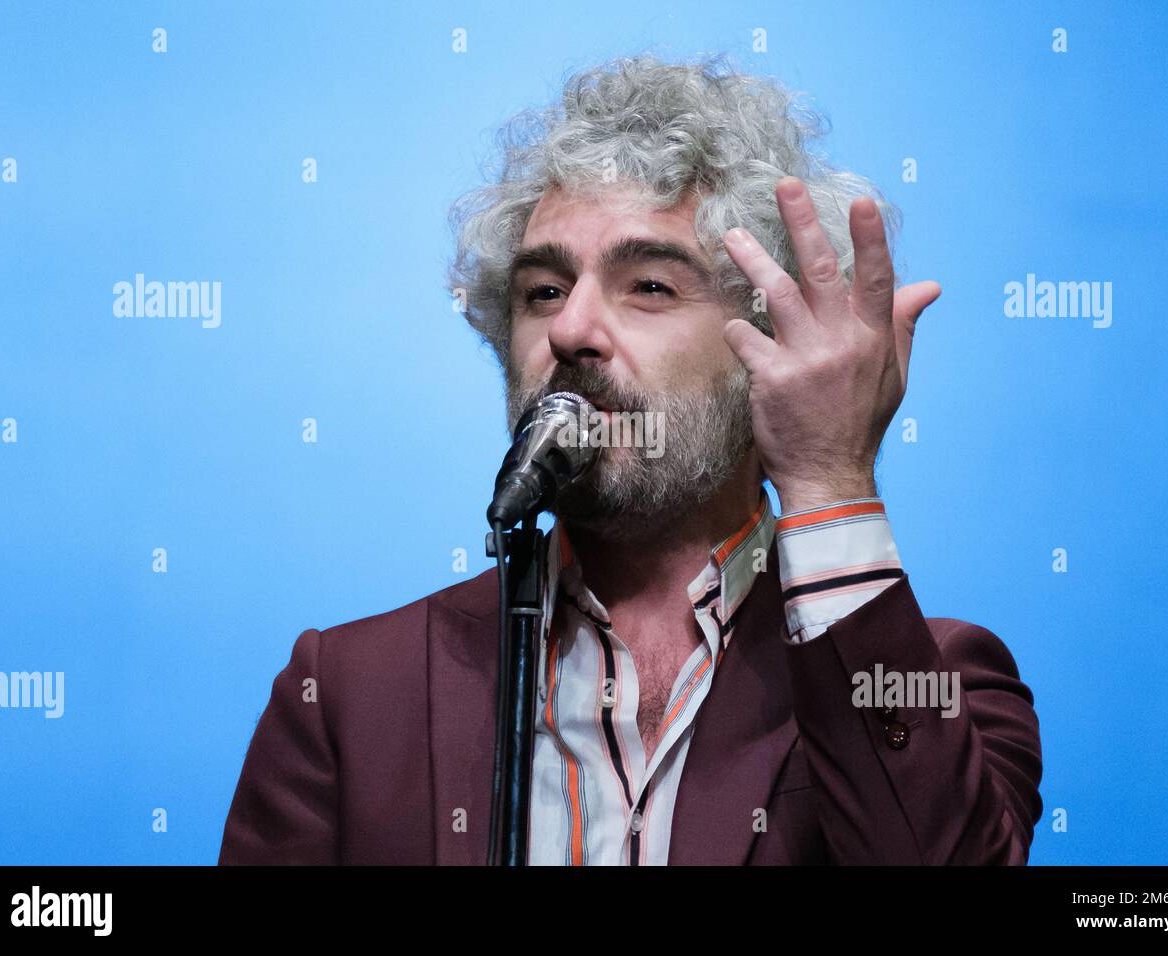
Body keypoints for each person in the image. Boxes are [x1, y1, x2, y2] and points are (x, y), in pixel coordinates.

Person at [218, 53, 1043, 865]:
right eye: (543, 290)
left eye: (649, 286)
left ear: (773, 346)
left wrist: (829, 479)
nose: (571, 330)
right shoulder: (347, 693)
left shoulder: (938, 681)